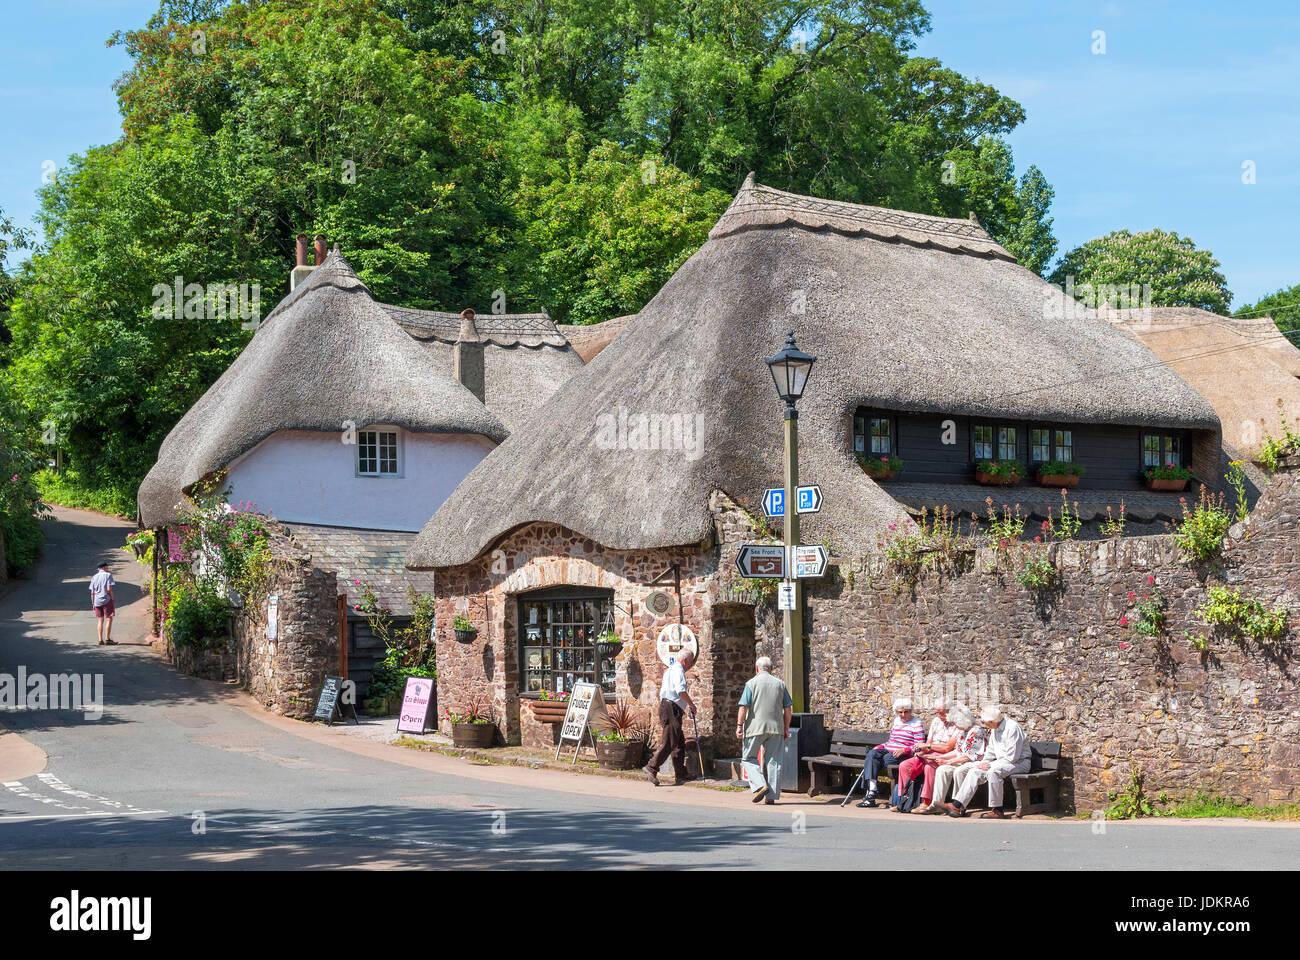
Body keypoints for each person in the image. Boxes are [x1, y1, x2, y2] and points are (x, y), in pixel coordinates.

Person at [946, 704, 1031, 819]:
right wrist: (983, 763)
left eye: (985, 722)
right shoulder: (995, 728)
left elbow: (1012, 758)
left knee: (993, 772)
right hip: (1003, 762)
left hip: (1020, 763)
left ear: (991, 721)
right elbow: (991, 751)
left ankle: (997, 810)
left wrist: (989, 765)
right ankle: (958, 805)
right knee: (974, 771)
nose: (983, 724)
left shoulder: (1012, 728)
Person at [736, 656, 793, 804]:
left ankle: (760, 785)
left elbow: (743, 707)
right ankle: (771, 797)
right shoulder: (780, 684)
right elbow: (788, 708)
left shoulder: (751, 683)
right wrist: (786, 728)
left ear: (756, 668)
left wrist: (739, 726)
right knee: (774, 762)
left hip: (755, 728)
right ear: (771, 668)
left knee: (748, 758)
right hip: (776, 728)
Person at [916, 704, 987, 814]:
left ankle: (957, 805)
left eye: (955, 723)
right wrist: (939, 757)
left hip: (975, 762)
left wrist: (948, 761)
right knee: (942, 769)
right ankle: (937, 804)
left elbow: (969, 756)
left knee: (959, 772)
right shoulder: (963, 732)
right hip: (962, 761)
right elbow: (958, 752)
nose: (954, 725)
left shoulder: (976, 732)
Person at [856, 697, 925, 808]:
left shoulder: (917, 723)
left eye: (905, 712)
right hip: (889, 749)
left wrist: (905, 750)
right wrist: (880, 746)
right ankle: (872, 790)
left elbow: (920, 746)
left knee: (873, 761)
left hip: (903, 754)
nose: (902, 715)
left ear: (910, 711)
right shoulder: (896, 721)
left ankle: (870, 796)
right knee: (871, 754)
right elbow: (891, 741)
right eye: (900, 712)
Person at [644, 648, 696, 786]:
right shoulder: (678, 670)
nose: (690, 666)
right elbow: (680, 691)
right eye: (690, 663)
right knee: (670, 742)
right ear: (685, 660)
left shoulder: (670, 670)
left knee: (679, 743)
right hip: (671, 708)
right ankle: (652, 767)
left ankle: (681, 773)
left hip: (669, 707)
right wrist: (691, 704)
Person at [896, 698, 960, 811]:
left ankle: (927, 802)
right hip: (930, 753)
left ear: (949, 711)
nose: (939, 715)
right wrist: (921, 751)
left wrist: (928, 747)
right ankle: (904, 800)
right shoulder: (936, 721)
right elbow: (928, 742)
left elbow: (947, 748)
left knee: (929, 766)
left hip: (944, 756)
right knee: (904, 765)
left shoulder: (957, 724)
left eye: (941, 713)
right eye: (937, 712)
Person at [89, 561, 117, 646]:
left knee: (100, 619)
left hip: (97, 601)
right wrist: (112, 598)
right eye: (107, 567)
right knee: (109, 618)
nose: (108, 568)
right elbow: (109, 589)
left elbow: (92, 592)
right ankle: (107, 639)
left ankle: (100, 640)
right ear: (104, 567)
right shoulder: (108, 575)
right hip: (106, 599)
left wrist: (93, 603)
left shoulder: (94, 577)